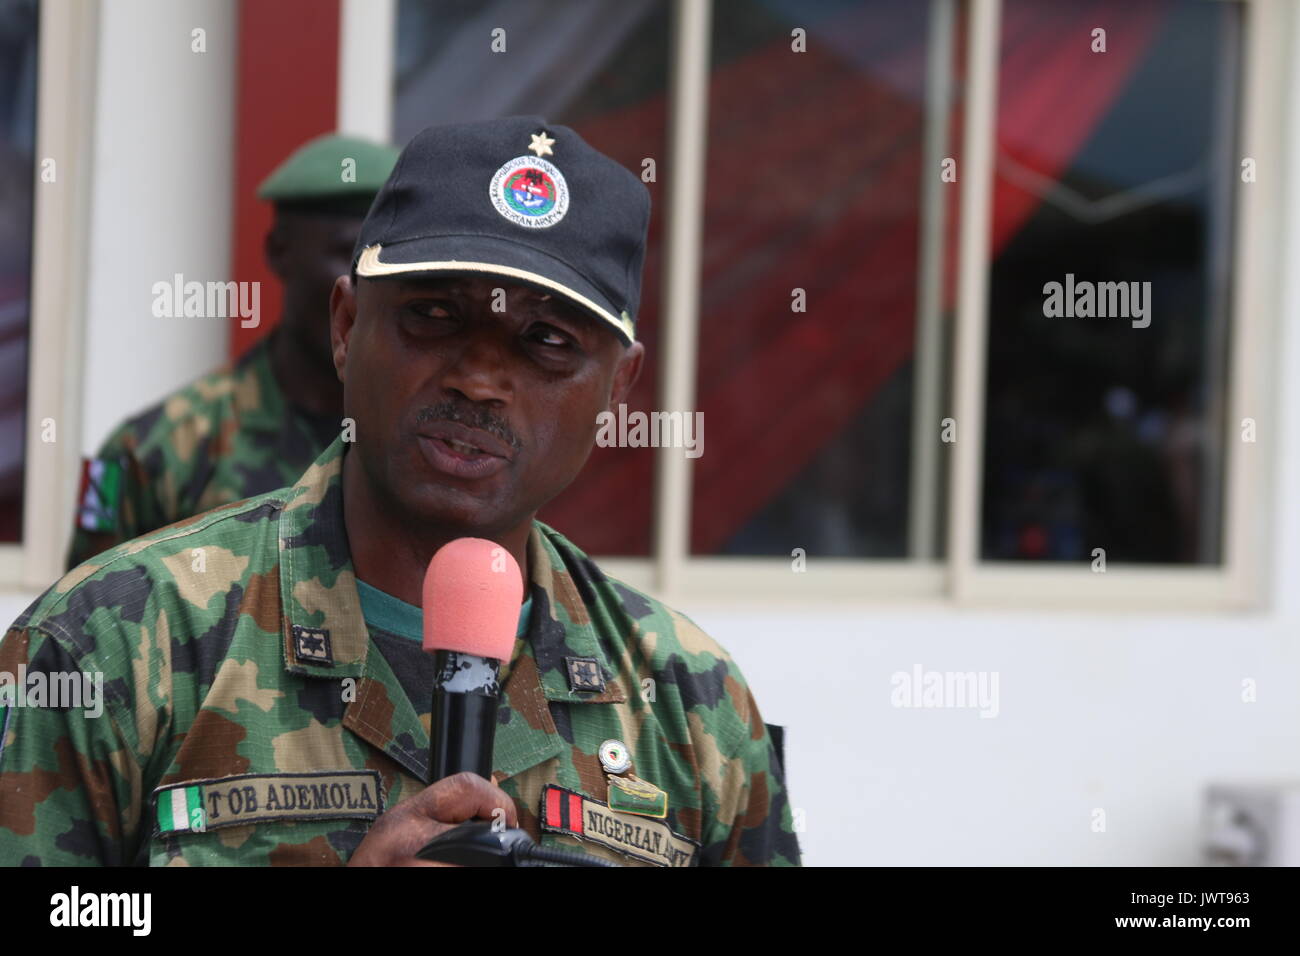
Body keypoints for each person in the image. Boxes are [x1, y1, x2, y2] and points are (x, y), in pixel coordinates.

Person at [0, 116, 801, 867]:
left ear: (619, 388)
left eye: (547, 342)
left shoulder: (690, 704)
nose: (481, 379)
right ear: (346, 325)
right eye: (433, 315)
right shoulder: (112, 645)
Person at [65, 133, 400, 569]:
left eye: (385, 261)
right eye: (345, 255)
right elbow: (83, 623)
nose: (363, 286)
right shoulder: (151, 451)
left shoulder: (428, 441)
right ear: (279, 253)